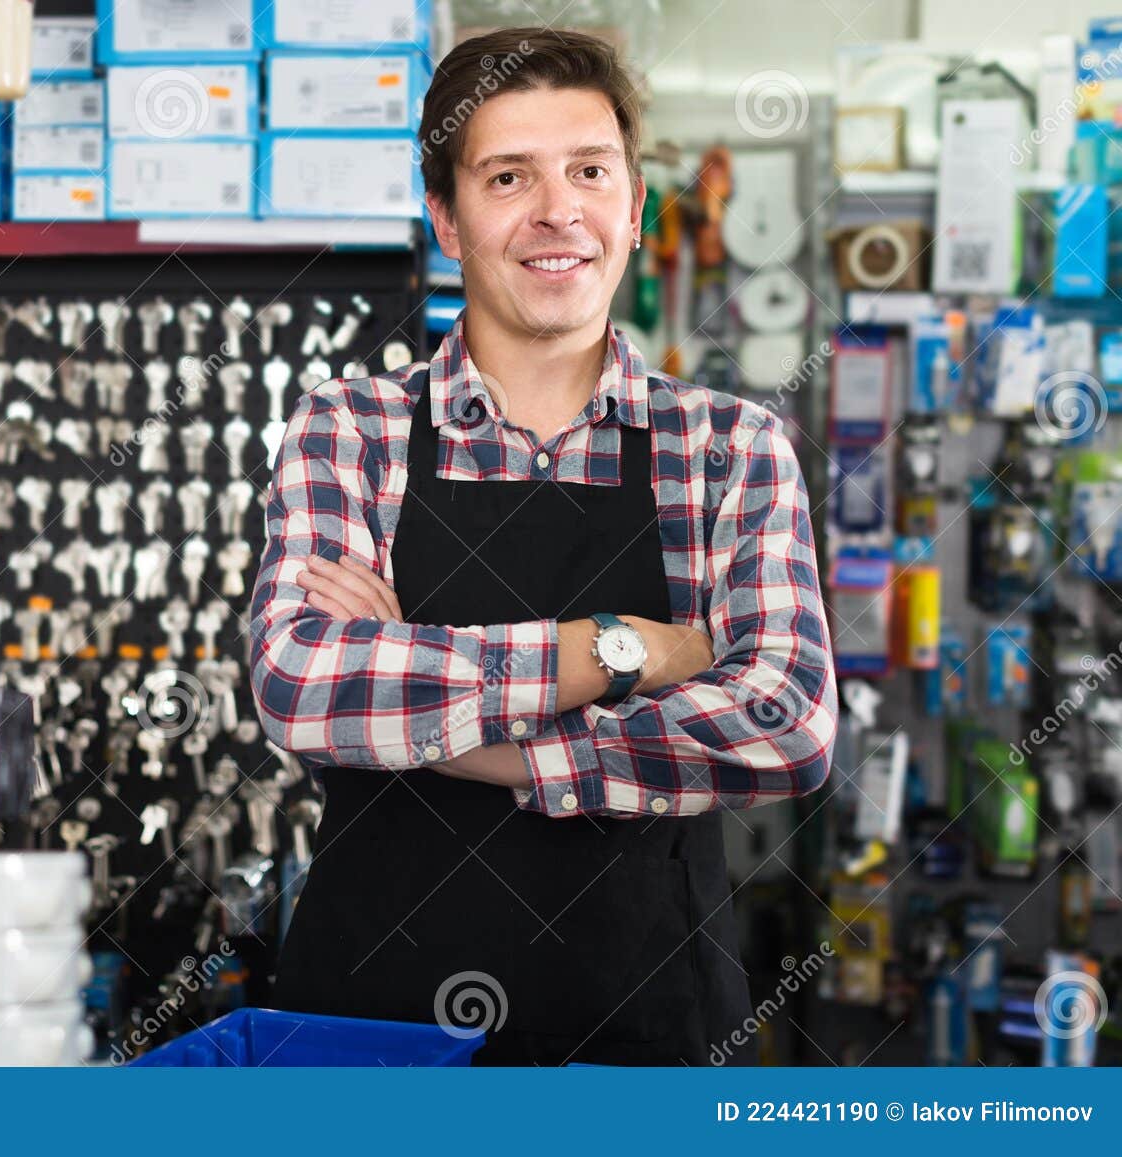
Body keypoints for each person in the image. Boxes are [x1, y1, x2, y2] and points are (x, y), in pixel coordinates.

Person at [247, 26, 836, 1066]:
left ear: (635, 207)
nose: (557, 210)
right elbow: (303, 686)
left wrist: (461, 737)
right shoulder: (351, 427)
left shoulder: (731, 447)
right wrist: (626, 648)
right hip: (370, 1034)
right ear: (447, 218)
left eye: (589, 172)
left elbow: (785, 724)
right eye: (508, 176)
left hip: (647, 1032)